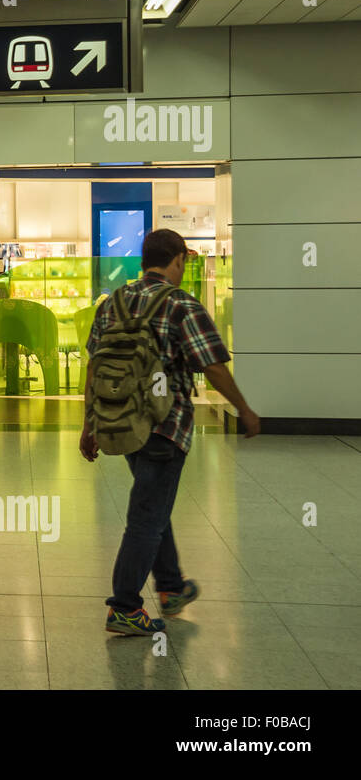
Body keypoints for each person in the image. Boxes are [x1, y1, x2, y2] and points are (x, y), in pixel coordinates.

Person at [82, 228, 259, 635]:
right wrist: (244, 409)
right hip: (166, 424)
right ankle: (124, 607)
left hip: (122, 422)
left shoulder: (113, 303)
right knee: (146, 516)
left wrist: (89, 423)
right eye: (185, 260)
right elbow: (212, 365)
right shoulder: (181, 304)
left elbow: (94, 366)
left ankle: (172, 587)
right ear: (177, 259)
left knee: (152, 505)